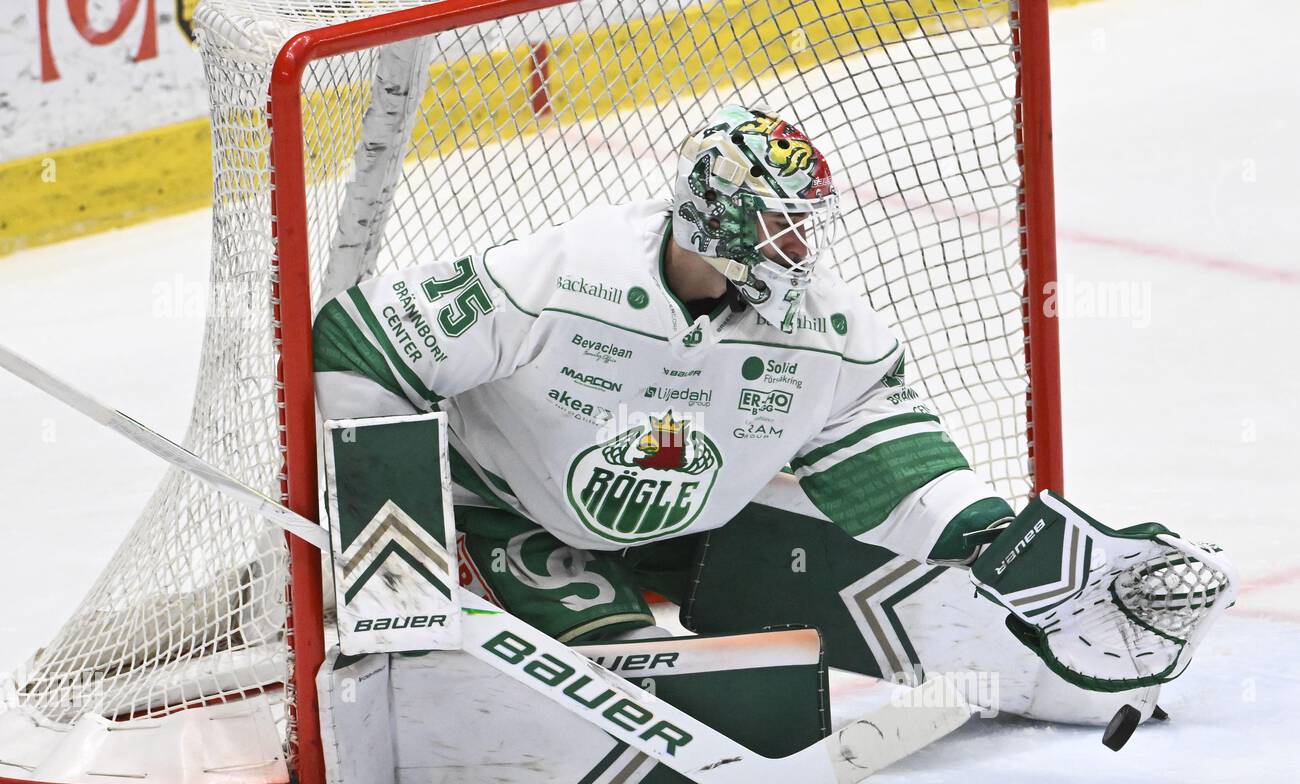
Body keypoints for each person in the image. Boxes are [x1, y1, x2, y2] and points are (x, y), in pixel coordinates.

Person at [311, 103, 1022, 648]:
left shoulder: (822, 326)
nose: (801, 248)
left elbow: (882, 444)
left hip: (692, 526)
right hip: (509, 512)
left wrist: (1001, 541)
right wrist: (394, 569)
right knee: (640, 675)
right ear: (720, 217)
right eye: (782, 224)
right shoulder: (569, 275)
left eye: (806, 224)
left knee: (870, 581)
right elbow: (359, 339)